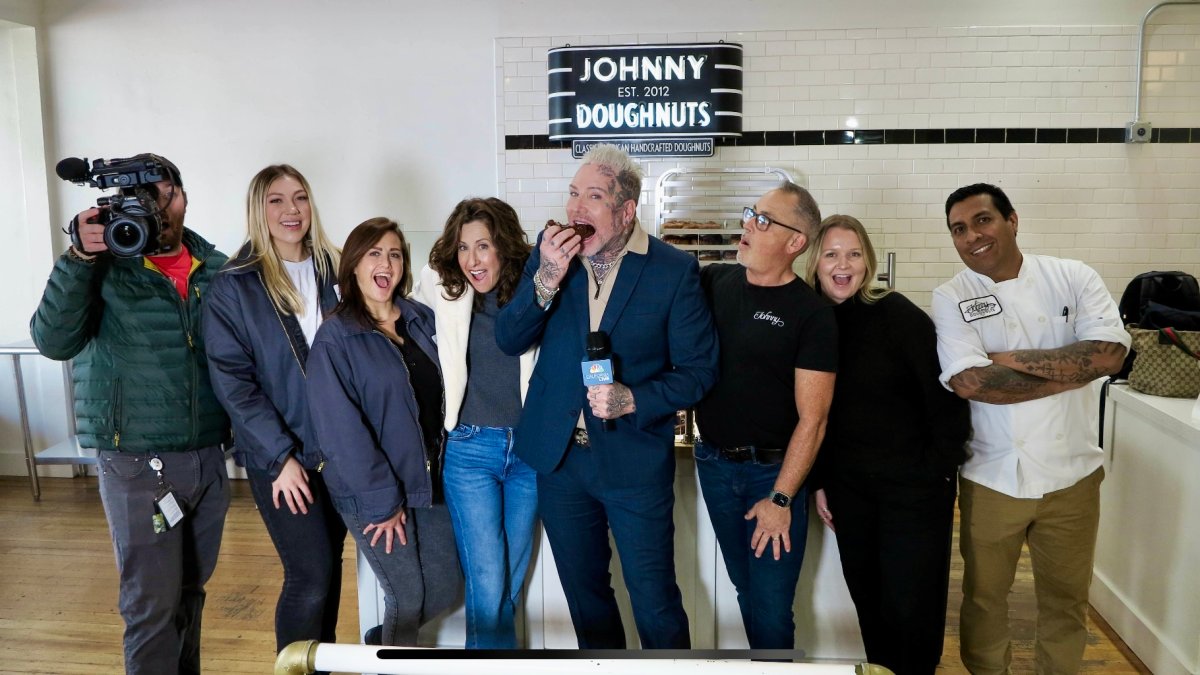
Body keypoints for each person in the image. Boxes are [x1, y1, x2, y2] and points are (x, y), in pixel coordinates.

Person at [495, 144, 718, 649]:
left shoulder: (672, 270)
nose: (577, 209)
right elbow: (509, 338)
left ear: (625, 210)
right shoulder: (553, 255)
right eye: (574, 193)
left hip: (634, 462)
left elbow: (699, 372)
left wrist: (632, 398)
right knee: (586, 597)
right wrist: (546, 278)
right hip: (560, 460)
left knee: (654, 601)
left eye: (593, 197)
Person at [30, 153, 230, 675]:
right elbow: (52, 341)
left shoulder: (217, 268)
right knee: (151, 608)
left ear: (182, 197)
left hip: (207, 457)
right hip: (137, 464)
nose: (154, 212)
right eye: (140, 201)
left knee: (190, 594)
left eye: (161, 196)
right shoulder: (99, 267)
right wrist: (77, 257)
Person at [932, 184, 1130, 675]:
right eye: (959, 229)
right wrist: (1070, 370)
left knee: (1067, 598)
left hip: (1073, 476)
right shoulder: (952, 295)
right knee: (983, 599)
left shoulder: (1072, 276)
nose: (972, 236)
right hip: (993, 474)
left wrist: (1009, 360)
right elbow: (972, 382)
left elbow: (1109, 354)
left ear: (1012, 220)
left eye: (983, 220)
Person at [806, 215, 970, 673]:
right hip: (849, 490)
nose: (843, 265)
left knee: (912, 607)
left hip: (913, 491)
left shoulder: (899, 316)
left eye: (854, 254)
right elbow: (810, 416)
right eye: (832, 254)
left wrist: (937, 471)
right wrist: (819, 482)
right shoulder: (810, 319)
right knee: (869, 600)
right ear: (814, 260)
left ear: (868, 262)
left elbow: (949, 401)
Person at [203, 165, 346, 659]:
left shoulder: (334, 267)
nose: (292, 211)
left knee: (331, 573)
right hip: (284, 459)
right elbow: (234, 384)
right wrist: (281, 458)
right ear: (258, 209)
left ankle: (317, 667)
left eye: (300, 198)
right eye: (277, 201)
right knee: (309, 574)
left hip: (340, 451)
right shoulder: (235, 286)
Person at [692, 183, 836, 650]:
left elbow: (812, 421)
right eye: (752, 213)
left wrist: (780, 499)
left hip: (771, 476)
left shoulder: (811, 315)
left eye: (764, 219)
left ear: (796, 242)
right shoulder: (717, 282)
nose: (748, 224)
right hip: (713, 465)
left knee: (772, 605)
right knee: (744, 589)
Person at [306, 218, 462, 647]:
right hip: (373, 493)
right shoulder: (335, 339)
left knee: (446, 589)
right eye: (374, 253)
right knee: (406, 597)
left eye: (394, 253)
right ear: (354, 266)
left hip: (431, 482)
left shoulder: (421, 320)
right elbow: (341, 433)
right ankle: (388, 657)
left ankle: (379, 649)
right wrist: (381, 503)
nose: (386, 262)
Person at [411, 197, 537, 649]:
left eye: (483, 246)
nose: (472, 260)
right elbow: (393, 316)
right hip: (469, 449)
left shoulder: (534, 291)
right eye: (464, 248)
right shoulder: (441, 286)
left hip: (528, 451)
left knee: (509, 583)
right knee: (486, 582)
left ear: (504, 246)